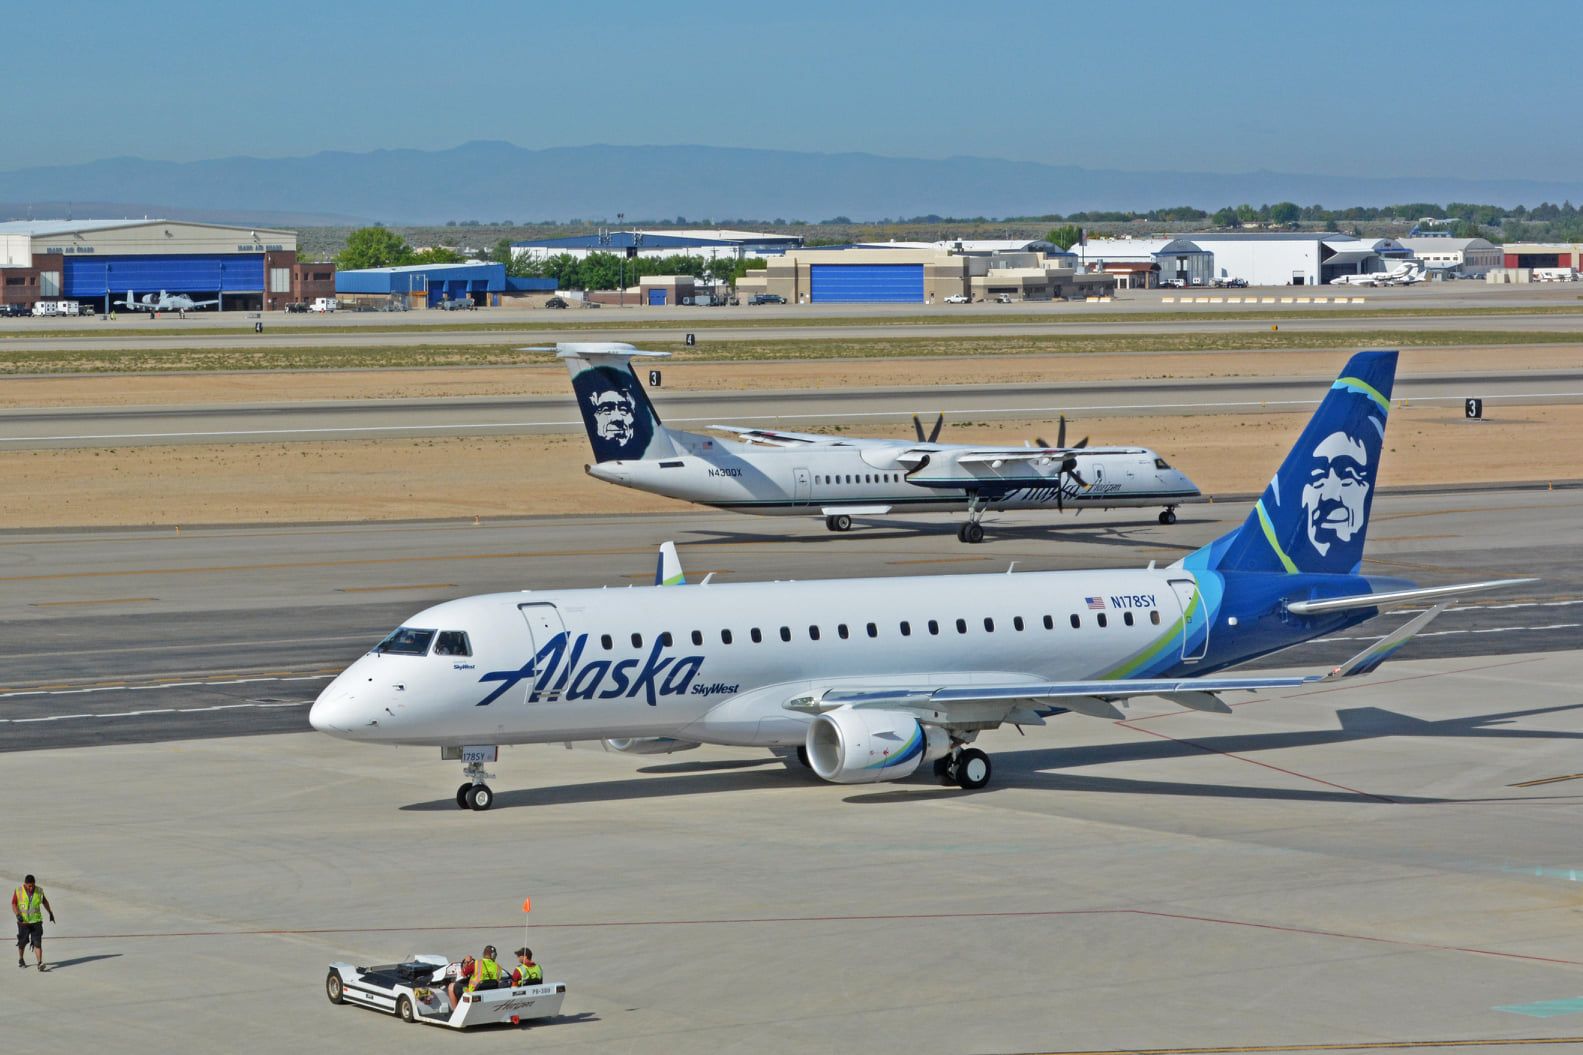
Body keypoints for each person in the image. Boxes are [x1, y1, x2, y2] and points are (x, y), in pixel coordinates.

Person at [12, 875, 54, 972]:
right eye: (29, 886)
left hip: (36, 921)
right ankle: (21, 959)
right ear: (25, 884)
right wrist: (17, 914)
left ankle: (40, 963)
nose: (31, 888)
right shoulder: (18, 891)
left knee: (37, 943)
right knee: (22, 943)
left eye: (32, 886)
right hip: (23, 922)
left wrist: (50, 912)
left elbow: (45, 902)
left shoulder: (39, 891)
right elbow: (14, 903)